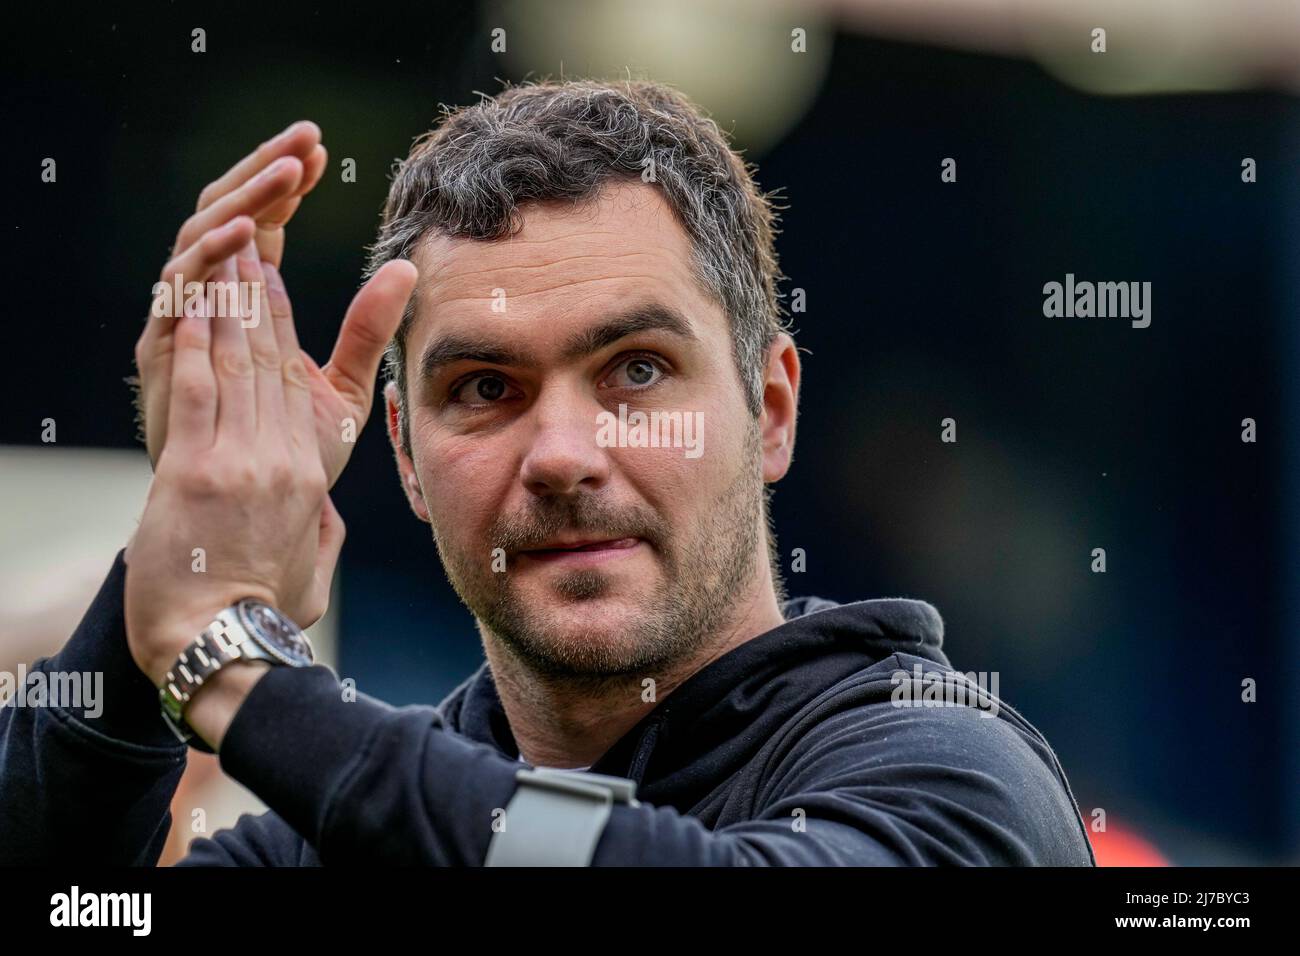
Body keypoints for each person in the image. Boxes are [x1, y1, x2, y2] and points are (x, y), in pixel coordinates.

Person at [0, 79, 1094, 866]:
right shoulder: (340, 831)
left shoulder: (948, 765)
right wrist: (181, 544)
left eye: (636, 369)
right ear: (406, 458)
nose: (563, 455)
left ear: (769, 409)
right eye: (484, 387)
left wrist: (231, 665)